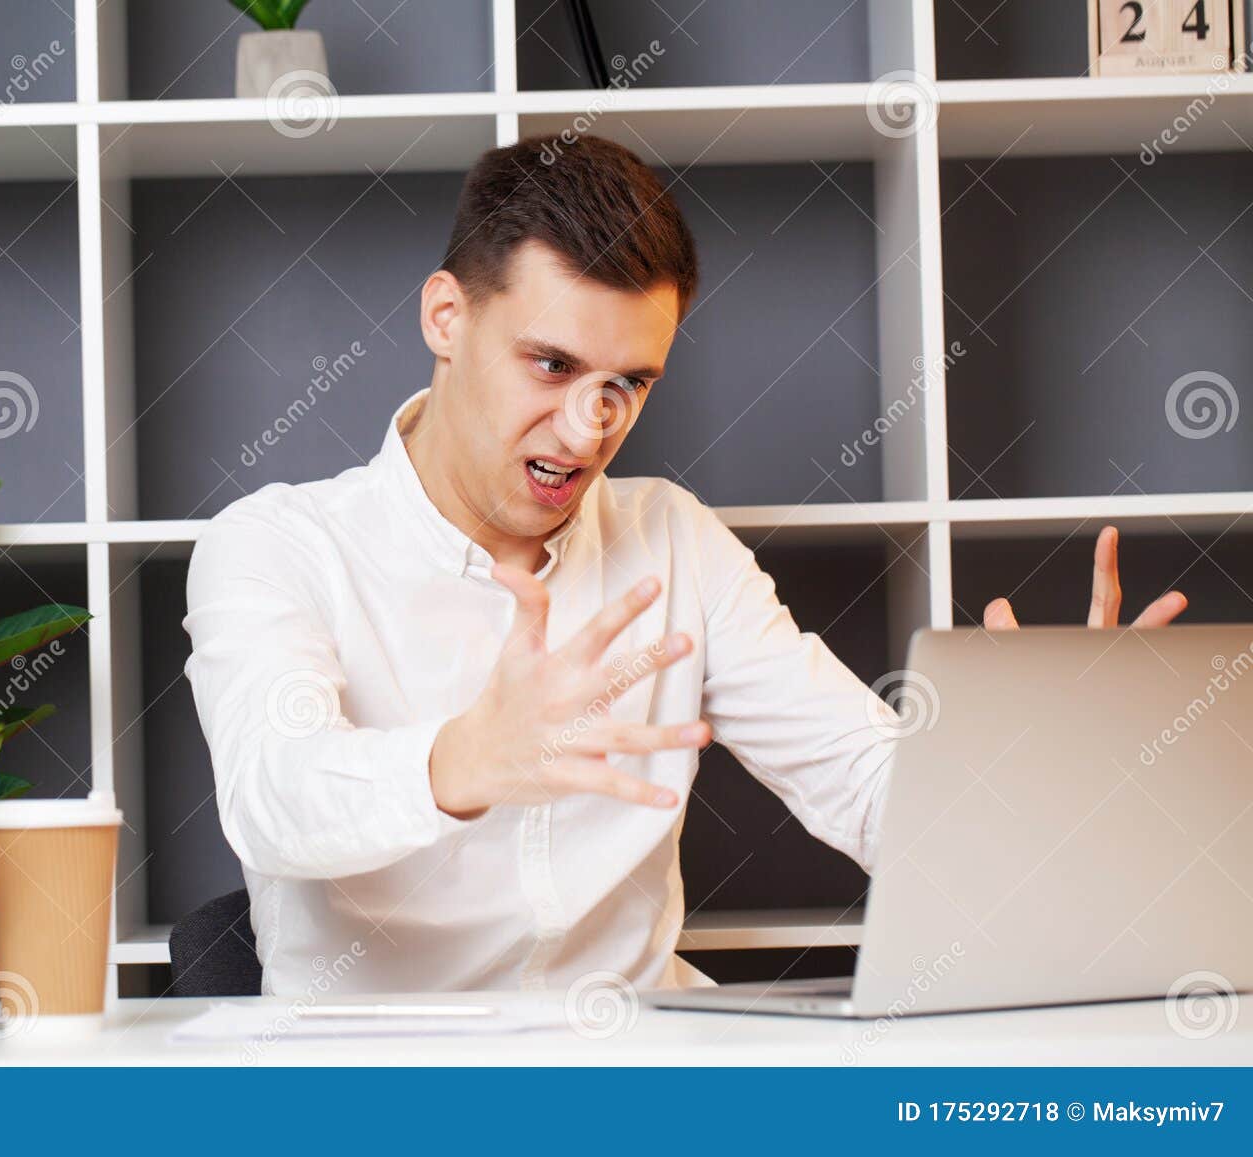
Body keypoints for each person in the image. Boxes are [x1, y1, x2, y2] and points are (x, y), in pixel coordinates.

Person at [182, 135, 1188, 996]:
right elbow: (274, 798)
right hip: (386, 1091)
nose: (588, 426)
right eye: (553, 365)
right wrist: (461, 760)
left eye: (628, 381)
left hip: (644, 1074)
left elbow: (857, 777)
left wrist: (1046, 768)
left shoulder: (671, 536)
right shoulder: (273, 545)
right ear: (447, 318)